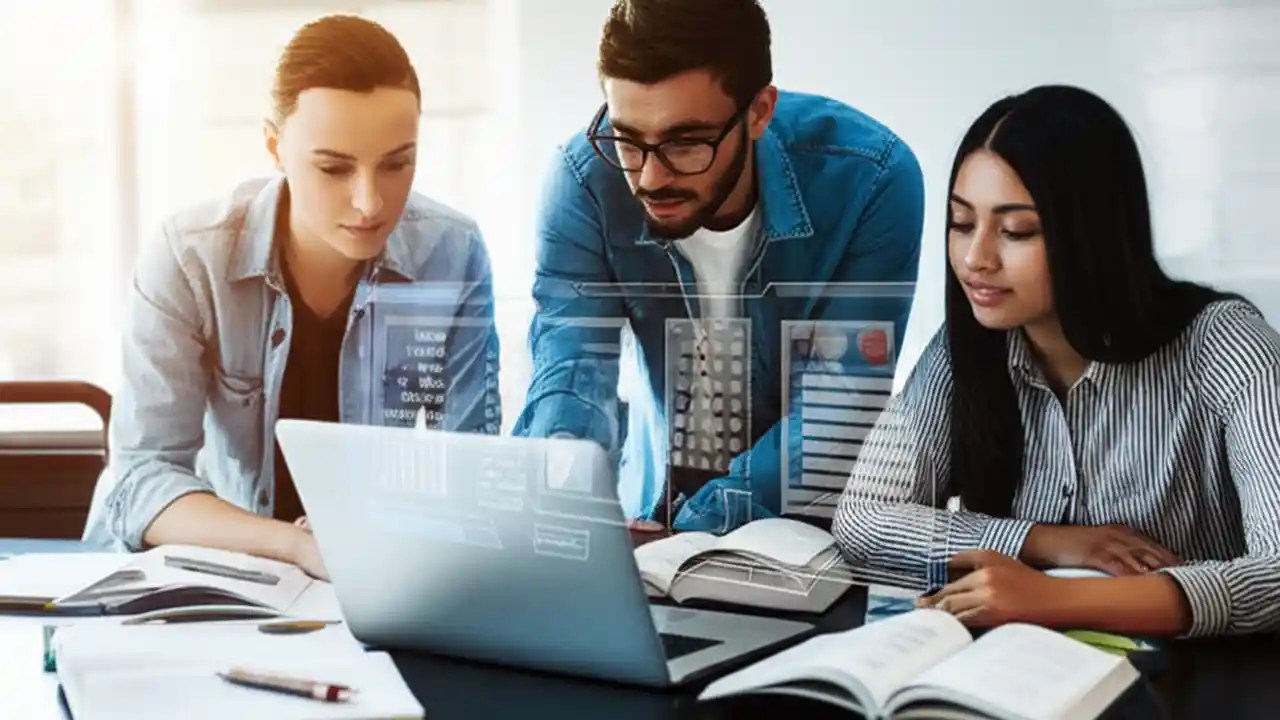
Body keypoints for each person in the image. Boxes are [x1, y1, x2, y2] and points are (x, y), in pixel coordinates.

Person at [834, 85, 1280, 637]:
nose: (976, 259)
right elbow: (864, 521)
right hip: (1017, 673)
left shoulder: (1226, 346)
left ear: (1092, 234)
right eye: (961, 222)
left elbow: (1276, 572)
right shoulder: (964, 350)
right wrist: (1046, 540)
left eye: (1016, 230)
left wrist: (1053, 598)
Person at [83, 14, 500, 578]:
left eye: (397, 164)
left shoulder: (453, 254)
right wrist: (297, 545)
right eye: (333, 168)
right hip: (219, 576)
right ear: (275, 146)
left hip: (375, 576)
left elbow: (467, 468)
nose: (370, 202)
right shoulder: (188, 257)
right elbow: (139, 481)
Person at [513, 0, 924, 532]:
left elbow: (835, 411)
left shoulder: (871, 180)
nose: (650, 178)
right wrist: (560, 501)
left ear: (759, 112)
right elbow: (571, 371)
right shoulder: (585, 179)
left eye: (686, 143)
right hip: (649, 518)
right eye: (628, 138)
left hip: (805, 535)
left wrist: (690, 526)